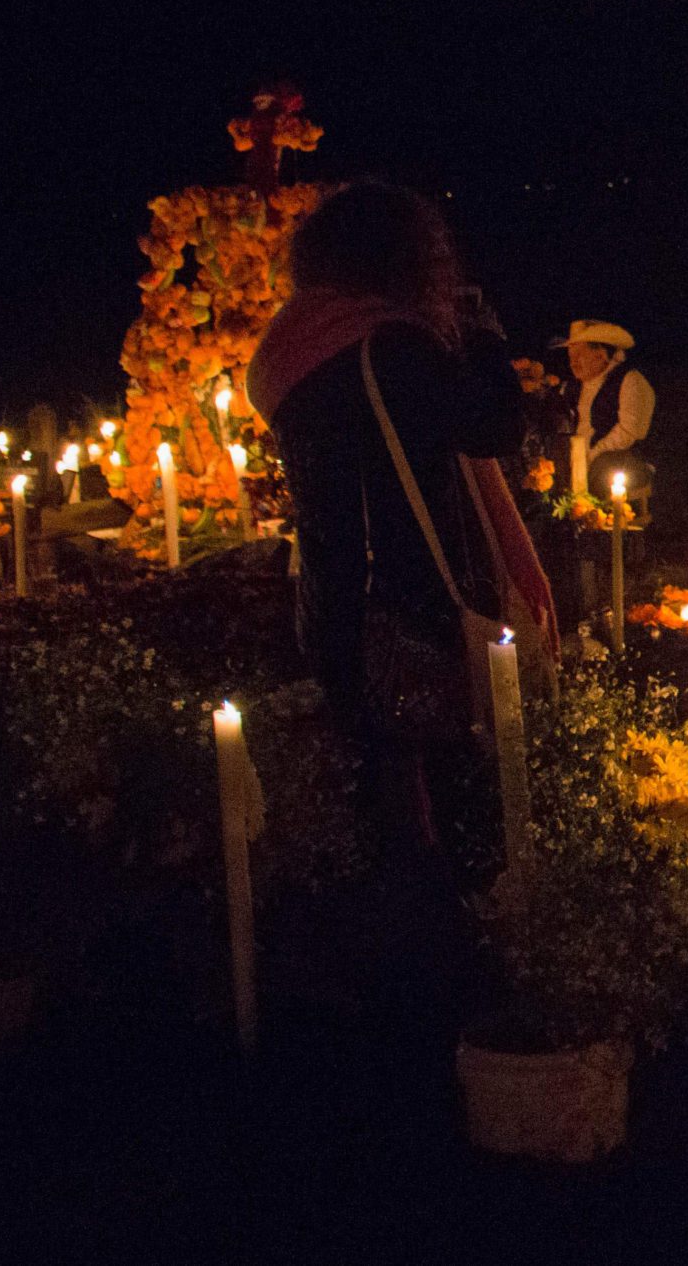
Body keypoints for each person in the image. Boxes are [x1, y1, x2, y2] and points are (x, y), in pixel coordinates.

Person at [248, 183, 549, 1011]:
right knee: (450, 816)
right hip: (411, 610)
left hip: (337, 608)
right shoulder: (388, 348)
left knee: (385, 805)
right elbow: (492, 424)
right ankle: (451, 1002)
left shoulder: (297, 352)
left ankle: (385, 990)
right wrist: (481, 336)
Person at [557, 319, 654, 497]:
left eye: (579, 356)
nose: (573, 363)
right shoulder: (575, 386)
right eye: (570, 357)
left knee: (603, 469)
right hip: (582, 458)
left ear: (601, 355)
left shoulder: (630, 381)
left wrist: (592, 456)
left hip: (620, 460)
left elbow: (630, 431)